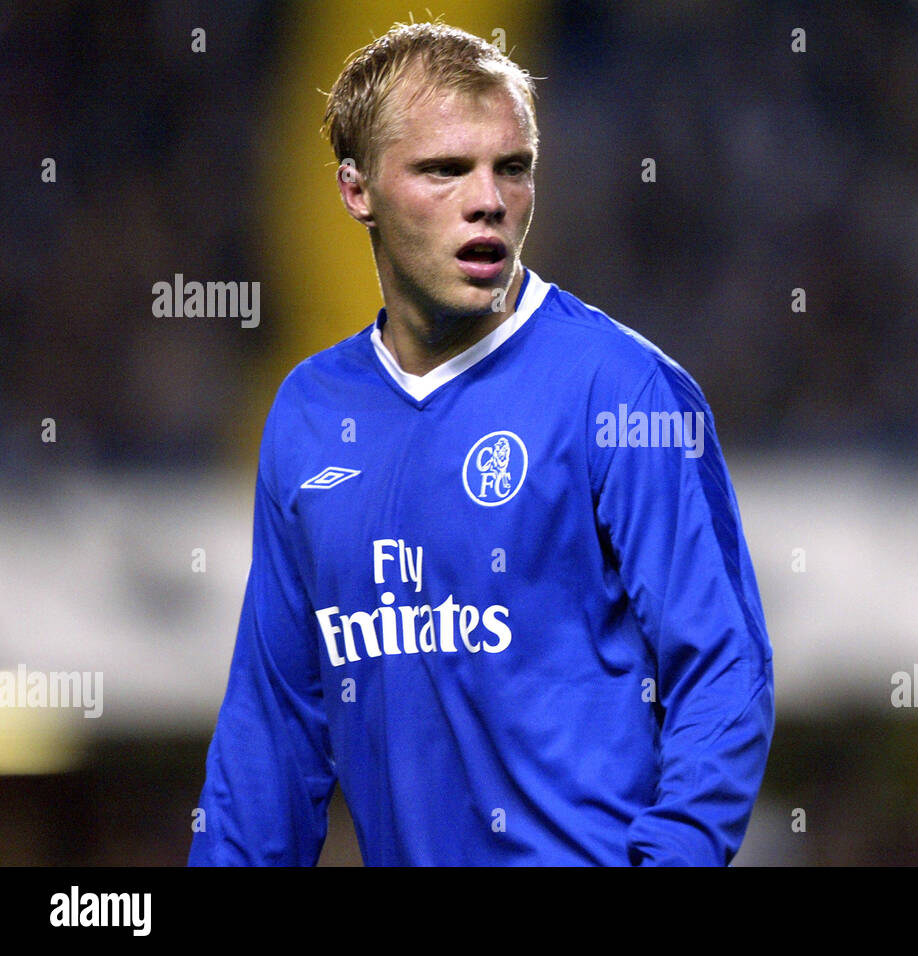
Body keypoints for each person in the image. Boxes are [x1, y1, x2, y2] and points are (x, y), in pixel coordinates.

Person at [189, 20, 774, 866]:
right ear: (357, 191)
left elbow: (723, 669)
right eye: (444, 170)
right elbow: (275, 725)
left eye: (513, 167)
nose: (489, 199)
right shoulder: (309, 416)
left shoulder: (621, 389)